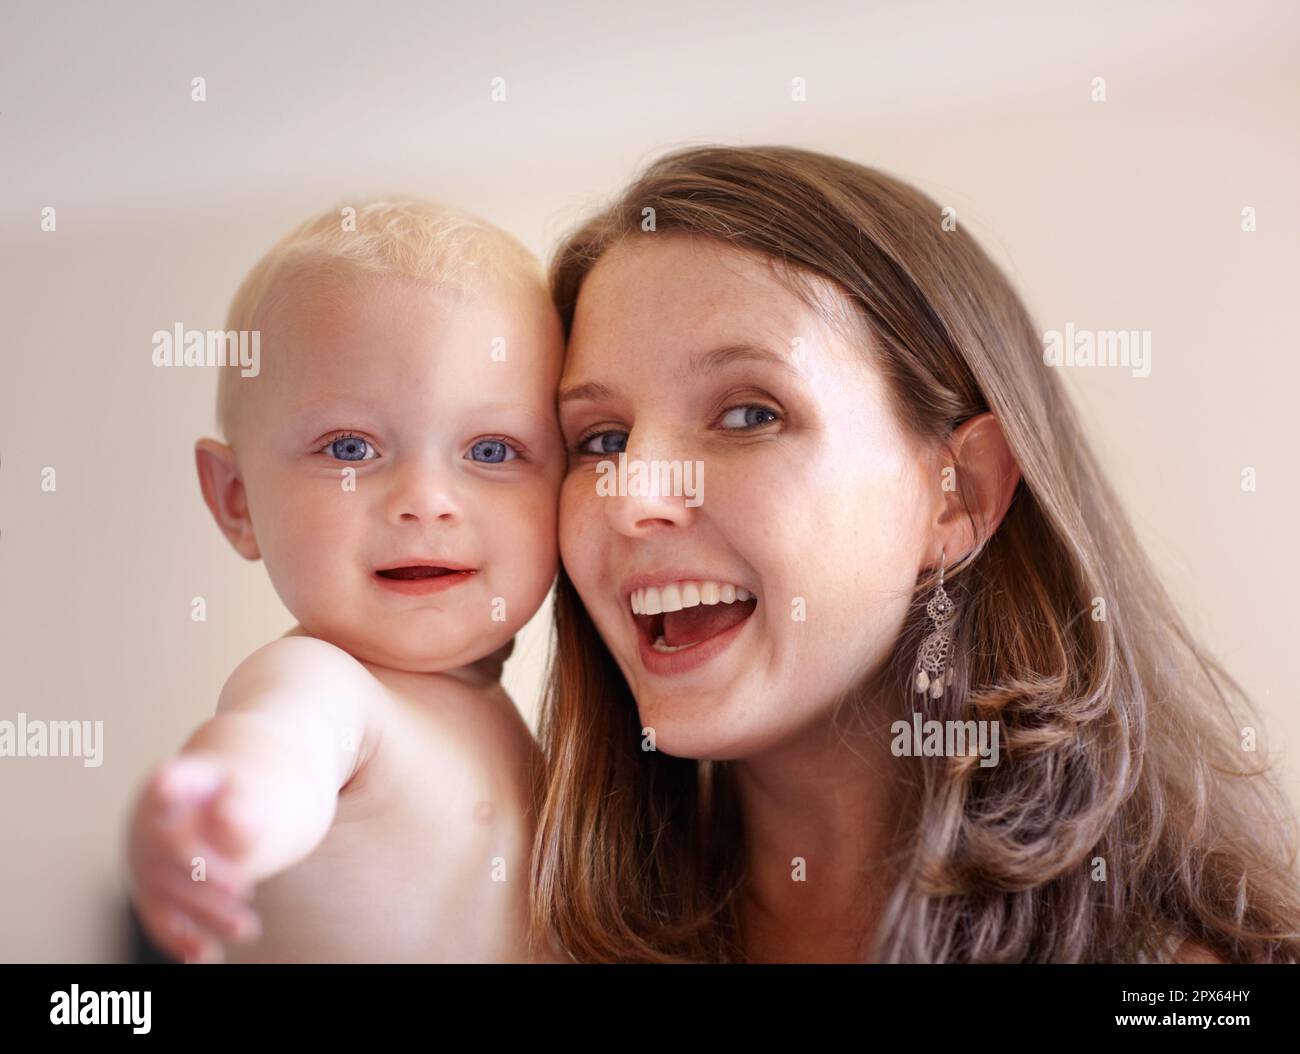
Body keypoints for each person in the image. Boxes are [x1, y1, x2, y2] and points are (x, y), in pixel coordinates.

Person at [531, 145, 1300, 963]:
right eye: (602, 439)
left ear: (958, 491)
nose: (632, 496)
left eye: (749, 414)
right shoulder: (511, 929)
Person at [126, 199, 565, 962]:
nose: (426, 500)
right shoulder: (325, 683)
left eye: (492, 451)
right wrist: (220, 815)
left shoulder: (493, 716)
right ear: (238, 502)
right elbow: (281, 748)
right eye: (351, 448)